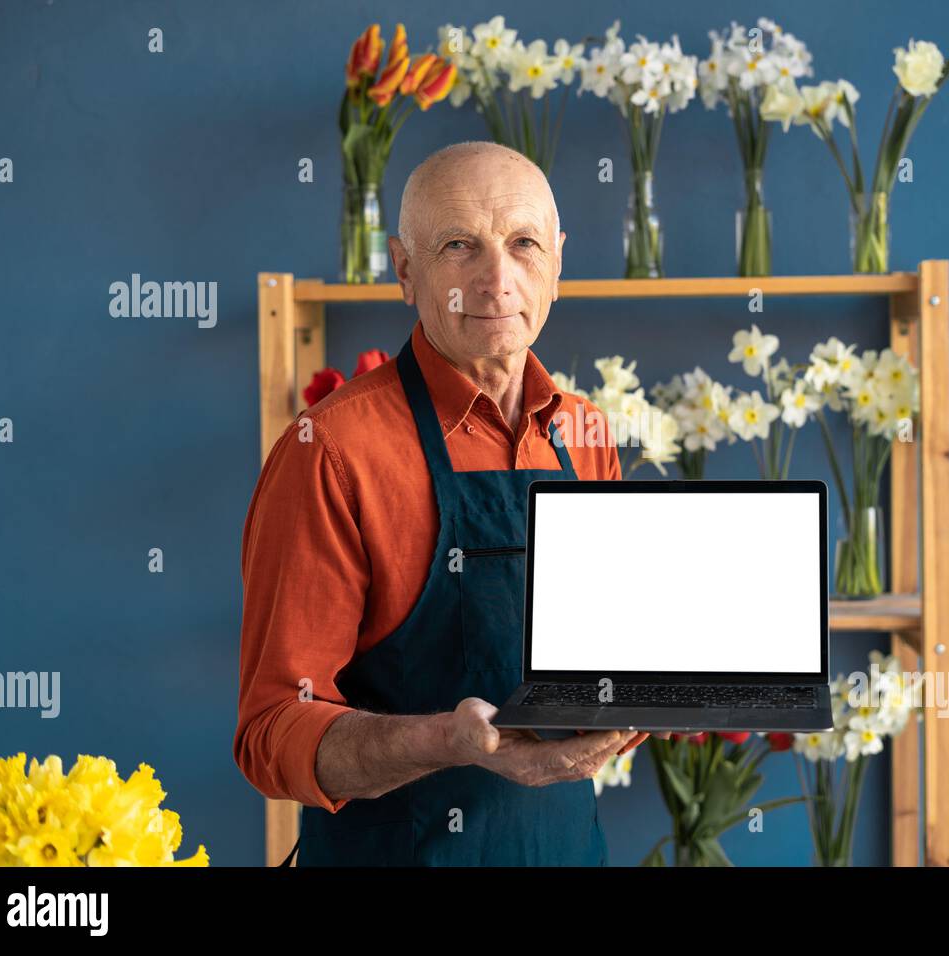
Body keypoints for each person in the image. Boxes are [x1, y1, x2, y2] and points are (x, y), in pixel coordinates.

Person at [234, 141, 668, 867]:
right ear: (405, 269)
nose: (497, 282)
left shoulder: (585, 436)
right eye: (460, 246)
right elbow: (271, 733)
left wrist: (669, 686)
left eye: (524, 243)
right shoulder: (331, 450)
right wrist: (448, 741)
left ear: (557, 263)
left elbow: (607, 667)